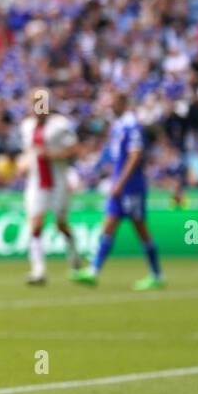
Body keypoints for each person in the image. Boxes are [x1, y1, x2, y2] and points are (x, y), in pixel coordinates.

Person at [72, 88, 163, 290]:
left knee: (141, 229)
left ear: (122, 103)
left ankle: (157, 275)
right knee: (109, 225)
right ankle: (94, 270)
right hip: (119, 185)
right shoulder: (119, 126)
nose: (110, 107)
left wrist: (120, 183)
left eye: (113, 103)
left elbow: (135, 155)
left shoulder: (132, 126)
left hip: (131, 186)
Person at [19, 105, 83, 285]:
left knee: (60, 224)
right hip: (35, 182)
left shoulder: (60, 125)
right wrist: (22, 164)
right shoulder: (26, 126)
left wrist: (52, 155)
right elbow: (28, 152)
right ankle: (38, 270)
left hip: (58, 181)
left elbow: (74, 149)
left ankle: (75, 255)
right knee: (36, 224)